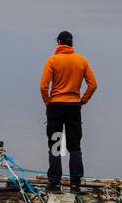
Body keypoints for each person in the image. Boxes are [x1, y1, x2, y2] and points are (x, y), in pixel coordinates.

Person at [39, 30, 98, 193]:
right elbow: (93, 84)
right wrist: (82, 101)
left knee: (55, 144)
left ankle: (54, 184)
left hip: (56, 106)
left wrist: (47, 103)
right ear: (71, 44)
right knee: (74, 146)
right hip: (74, 107)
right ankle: (75, 184)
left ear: (58, 43)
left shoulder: (52, 61)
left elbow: (44, 86)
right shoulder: (81, 61)